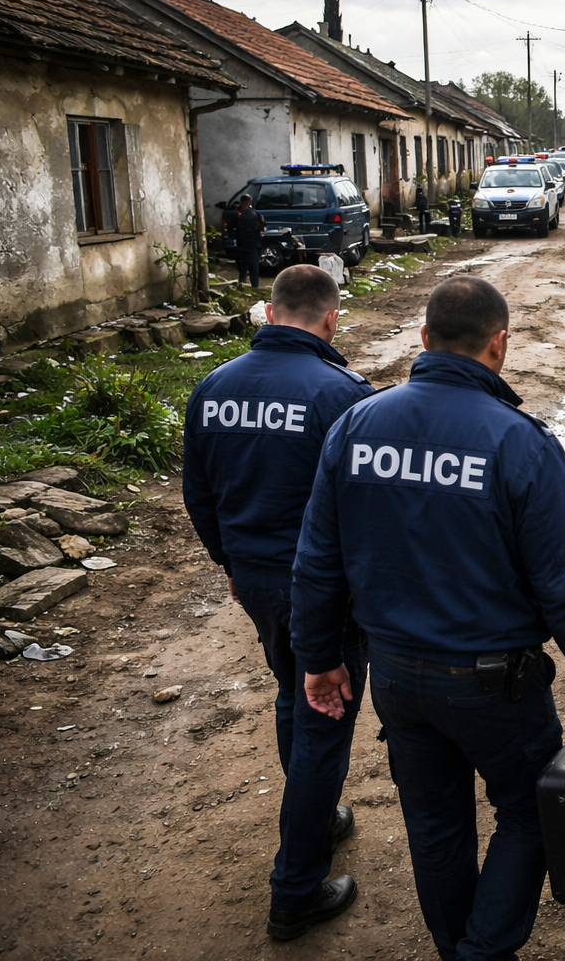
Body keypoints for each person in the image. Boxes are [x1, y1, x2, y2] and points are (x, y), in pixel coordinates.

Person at [292, 276, 565, 961]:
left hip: (397, 677)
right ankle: (480, 954)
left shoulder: (357, 426)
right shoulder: (520, 442)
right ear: (499, 345)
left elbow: (318, 560)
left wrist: (319, 658)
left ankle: (458, 946)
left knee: (435, 823)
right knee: (529, 810)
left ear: (424, 338)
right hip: (493, 686)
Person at [182, 264, 373, 941]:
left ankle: (313, 816)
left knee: (295, 695)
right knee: (324, 716)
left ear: (268, 312)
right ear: (331, 319)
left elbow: (198, 492)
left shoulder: (212, 387)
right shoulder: (343, 394)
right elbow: (365, 508)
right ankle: (295, 890)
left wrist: (229, 562)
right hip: (322, 590)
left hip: (256, 581)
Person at [233, 193, 266, 290]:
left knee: (242, 270)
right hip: (253, 246)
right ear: (249, 202)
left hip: (241, 246)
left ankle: (241, 288)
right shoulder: (257, 215)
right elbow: (261, 229)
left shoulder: (238, 215)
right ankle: (255, 288)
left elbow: (233, 229)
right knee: (254, 270)